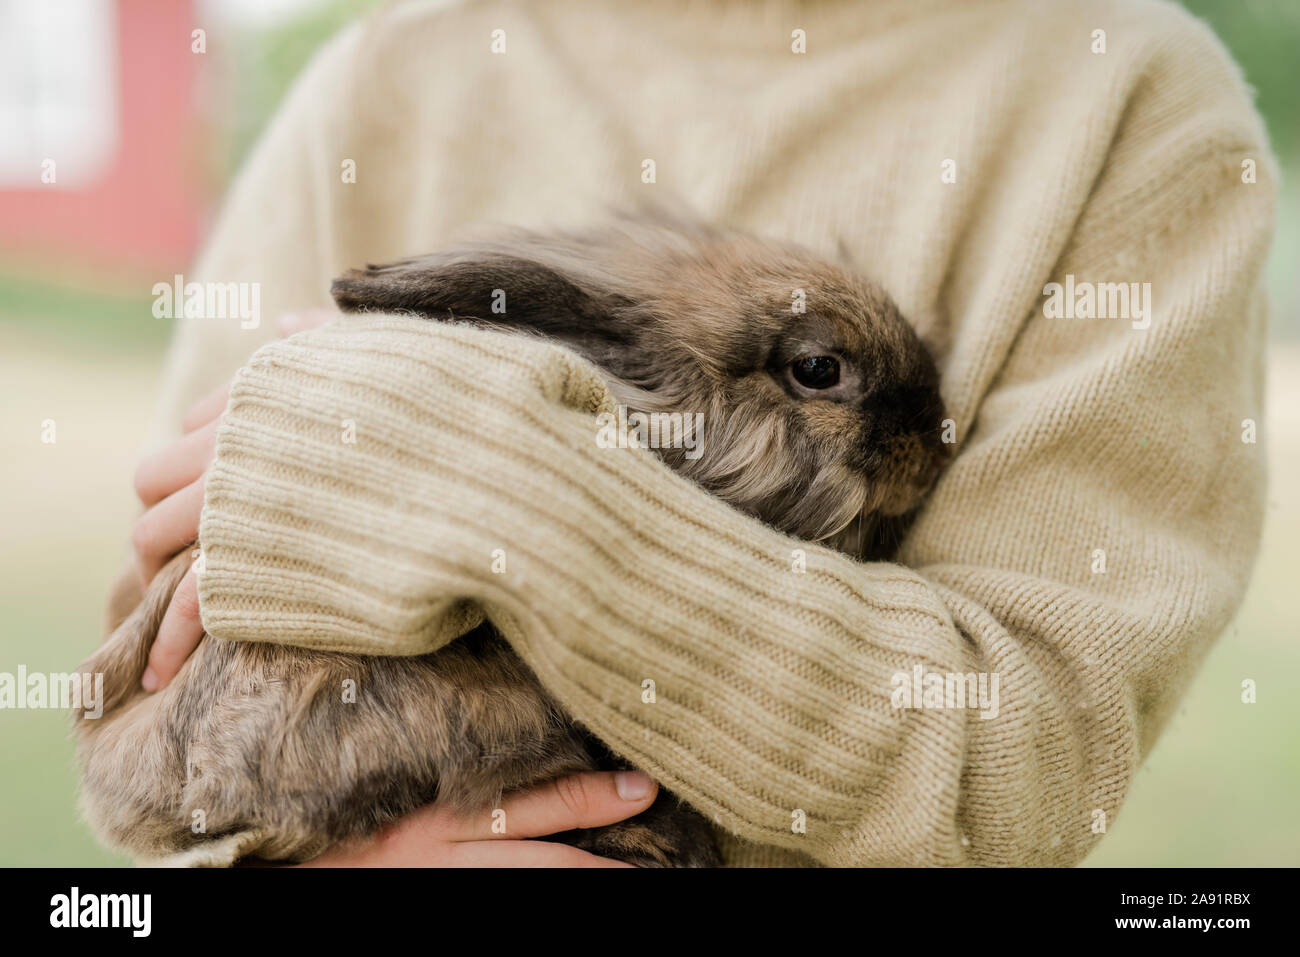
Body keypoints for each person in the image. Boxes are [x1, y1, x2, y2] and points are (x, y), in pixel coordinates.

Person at [124, 0, 1276, 866]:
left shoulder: (1122, 94)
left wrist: (521, 491)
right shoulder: (392, 71)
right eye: (822, 375)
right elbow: (153, 703)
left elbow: (1024, 753)